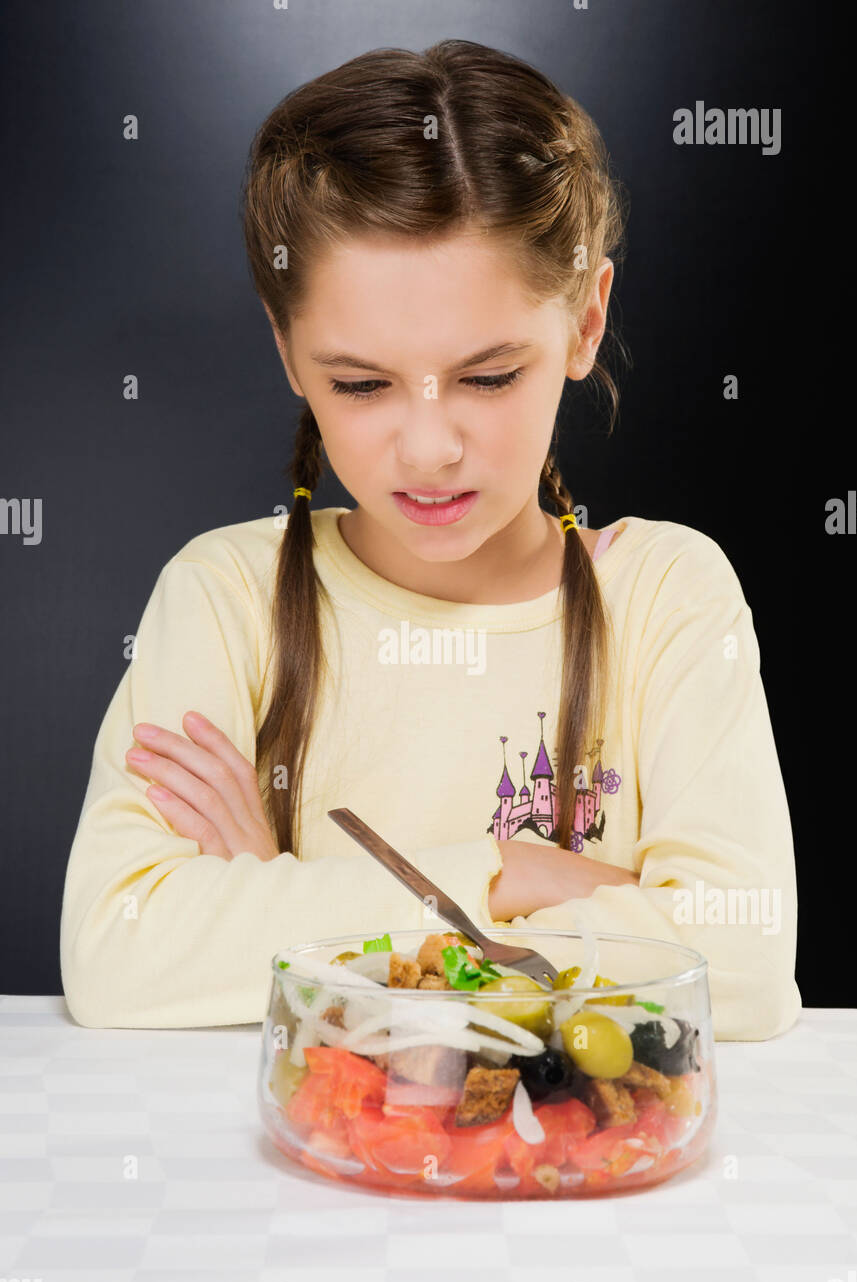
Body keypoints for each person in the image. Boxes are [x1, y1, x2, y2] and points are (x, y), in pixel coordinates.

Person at [59, 40, 800, 1040]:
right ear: (288, 353)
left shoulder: (666, 594)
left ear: (585, 323)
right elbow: (116, 952)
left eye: (488, 376)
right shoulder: (223, 596)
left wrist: (286, 896)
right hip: (288, 1186)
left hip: (582, 1190)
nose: (428, 448)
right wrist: (515, 875)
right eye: (359, 384)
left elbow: (742, 971)